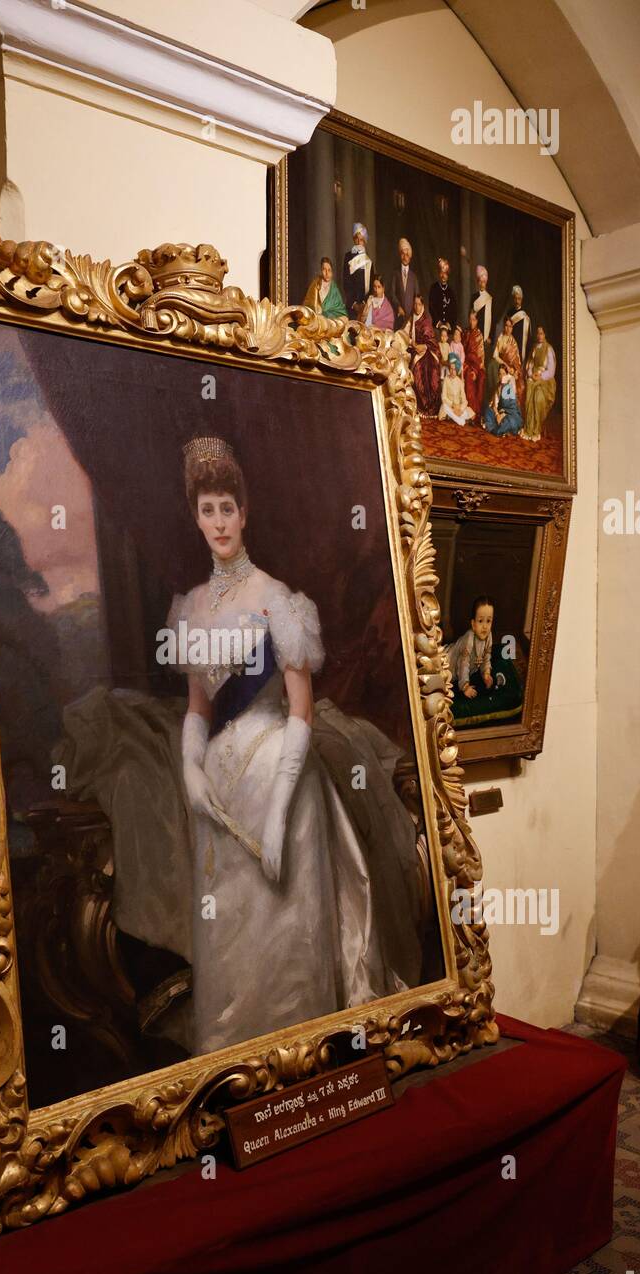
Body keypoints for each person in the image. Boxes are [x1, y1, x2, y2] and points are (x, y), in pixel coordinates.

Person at [167, 435, 418, 1053]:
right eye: (208, 511)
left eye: (228, 508)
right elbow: (198, 707)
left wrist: (279, 813)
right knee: (231, 935)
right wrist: (189, 765)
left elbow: (302, 712)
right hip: (221, 790)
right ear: (195, 517)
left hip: (281, 773)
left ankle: (301, 1063)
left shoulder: (279, 600)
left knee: (285, 938)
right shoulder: (192, 608)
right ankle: (237, 1063)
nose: (219, 523)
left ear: (244, 513)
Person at [445, 597, 495, 699]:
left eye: (488, 621)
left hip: (465, 668)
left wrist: (486, 673)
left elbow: (486, 656)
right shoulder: (469, 638)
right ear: (473, 624)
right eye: (480, 621)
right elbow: (463, 663)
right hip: (448, 664)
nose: (485, 626)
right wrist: (465, 686)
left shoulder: (489, 636)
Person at [407, 293, 441, 417]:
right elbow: (405, 334)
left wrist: (424, 346)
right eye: (415, 304)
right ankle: (416, 404)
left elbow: (431, 341)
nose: (416, 307)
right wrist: (412, 343)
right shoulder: (411, 318)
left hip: (428, 351)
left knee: (427, 369)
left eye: (419, 304)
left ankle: (427, 406)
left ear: (423, 306)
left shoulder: (426, 321)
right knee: (417, 366)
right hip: (413, 349)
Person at [522, 325, 557, 441]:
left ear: (545, 334)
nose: (539, 335)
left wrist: (540, 376)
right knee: (528, 397)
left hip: (545, 381)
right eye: (538, 333)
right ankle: (528, 429)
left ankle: (536, 430)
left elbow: (551, 371)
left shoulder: (549, 349)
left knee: (538, 397)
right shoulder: (534, 348)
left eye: (541, 333)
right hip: (534, 377)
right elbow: (529, 365)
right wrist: (531, 374)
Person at [486, 315, 526, 416]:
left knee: (520, 386)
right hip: (503, 367)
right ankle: (498, 410)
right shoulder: (501, 338)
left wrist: (515, 370)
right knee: (499, 378)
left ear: (512, 328)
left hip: (512, 369)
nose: (508, 328)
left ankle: (511, 413)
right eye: (506, 326)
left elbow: (517, 361)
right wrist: (505, 365)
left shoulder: (514, 342)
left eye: (510, 326)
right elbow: (495, 355)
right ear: (504, 326)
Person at [483, 363, 523, 436]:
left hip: (510, 414)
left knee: (510, 422)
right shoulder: (498, 386)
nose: (501, 376)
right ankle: (500, 430)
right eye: (500, 374)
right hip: (500, 412)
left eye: (503, 374)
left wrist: (503, 415)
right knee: (487, 411)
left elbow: (512, 407)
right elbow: (495, 404)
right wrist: (497, 414)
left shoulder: (510, 387)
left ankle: (496, 430)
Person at [342, 222, 372, 316]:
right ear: (354, 240)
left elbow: (371, 284)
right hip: (352, 305)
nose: (359, 242)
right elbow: (346, 281)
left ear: (365, 241)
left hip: (365, 305)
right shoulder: (348, 256)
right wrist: (354, 304)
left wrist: (364, 303)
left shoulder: (369, 261)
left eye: (361, 240)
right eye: (357, 239)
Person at [500, 284, 531, 367]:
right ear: (513, 299)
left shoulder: (525, 315)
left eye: (519, 299)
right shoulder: (509, 313)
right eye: (515, 298)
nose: (517, 301)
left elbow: (528, 337)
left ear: (521, 299)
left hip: (520, 346)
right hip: (510, 344)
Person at [438, 356, 475, 426]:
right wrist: (452, 405)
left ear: (457, 370)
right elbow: (443, 397)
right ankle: (461, 421)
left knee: (470, 413)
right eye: (451, 369)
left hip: (458, 408)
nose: (452, 371)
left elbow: (464, 400)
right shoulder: (446, 379)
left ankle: (455, 417)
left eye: (454, 369)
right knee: (445, 407)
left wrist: (460, 409)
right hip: (449, 406)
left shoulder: (460, 382)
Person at [391, 237, 419, 328]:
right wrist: (398, 307)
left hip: (410, 317)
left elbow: (417, 296)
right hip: (398, 316)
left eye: (407, 254)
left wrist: (413, 313)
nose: (405, 257)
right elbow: (392, 293)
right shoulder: (395, 274)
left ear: (410, 257)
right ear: (400, 255)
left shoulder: (413, 277)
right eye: (402, 254)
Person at [462, 309, 486, 416]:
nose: (472, 322)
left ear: (477, 321)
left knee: (472, 376)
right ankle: (463, 409)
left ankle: (472, 411)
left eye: (474, 320)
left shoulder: (479, 335)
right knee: (464, 372)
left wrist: (475, 370)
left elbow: (480, 357)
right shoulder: (466, 332)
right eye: (470, 319)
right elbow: (461, 348)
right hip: (465, 361)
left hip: (476, 365)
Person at [428, 257, 458, 336]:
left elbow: (454, 309)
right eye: (441, 273)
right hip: (436, 327)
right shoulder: (434, 288)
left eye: (445, 273)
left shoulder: (451, 291)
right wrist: (439, 322)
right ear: (438, 273)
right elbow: (431, 307)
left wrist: (449, 323)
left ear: (448, 275)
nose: (443, 276)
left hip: (449, 327)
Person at [470, 264, 493, 343]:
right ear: (478, 282)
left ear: (486, 282)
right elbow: (471, 315)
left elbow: (493, 319)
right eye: (480, 281)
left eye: (484, 281)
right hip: (475, 331)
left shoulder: (490, 298)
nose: (482, 283)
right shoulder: (474, 297)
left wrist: (490, 336)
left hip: (486, 334)